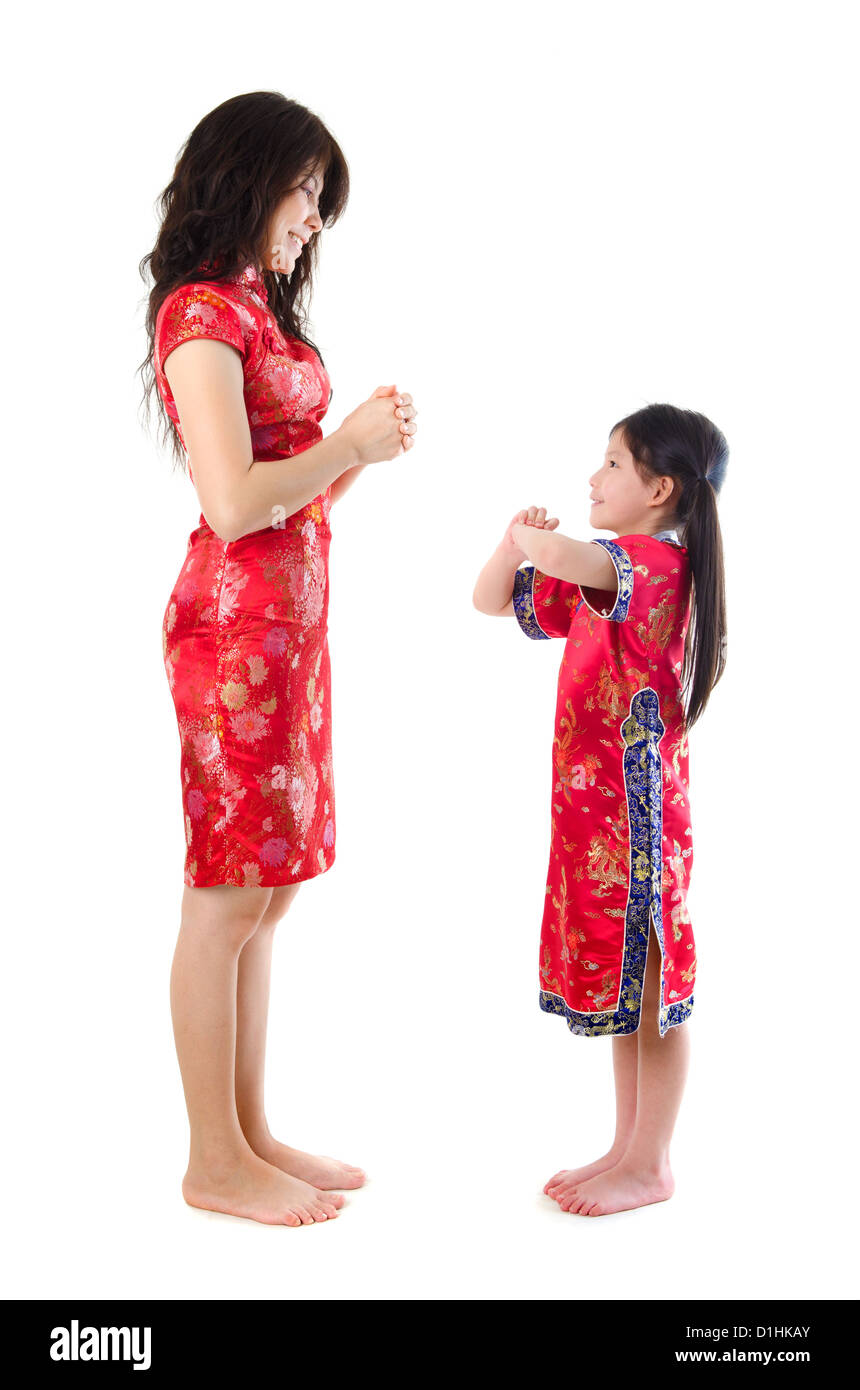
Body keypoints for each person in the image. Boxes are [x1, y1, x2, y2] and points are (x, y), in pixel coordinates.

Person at [139, 91, 418, 1227]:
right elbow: (233, 499)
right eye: (302, 192)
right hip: (233, 637)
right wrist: (343, 442)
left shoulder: (254, 308)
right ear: (245, 179)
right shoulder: (201, 315)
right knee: (224, 893)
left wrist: (352, 455)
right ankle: (214, 1157)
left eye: (319, 201)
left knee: (268, 893)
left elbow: (288, 498)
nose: (310, 219)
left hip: (287, 633)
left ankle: (249, 1131)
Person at [472, 404, 727, 1217]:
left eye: (612, 463)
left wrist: (533, 539)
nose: (594, 476)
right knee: (629, 990)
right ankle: (627, 1148)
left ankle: (650, 1163)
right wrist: (508, 540)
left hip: (637, 814)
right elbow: (490, 601)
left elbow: (554, 553)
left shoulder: (647, 563)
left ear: (659, 489)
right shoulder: (603, 573)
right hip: (595, 819)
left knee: (649, 982)